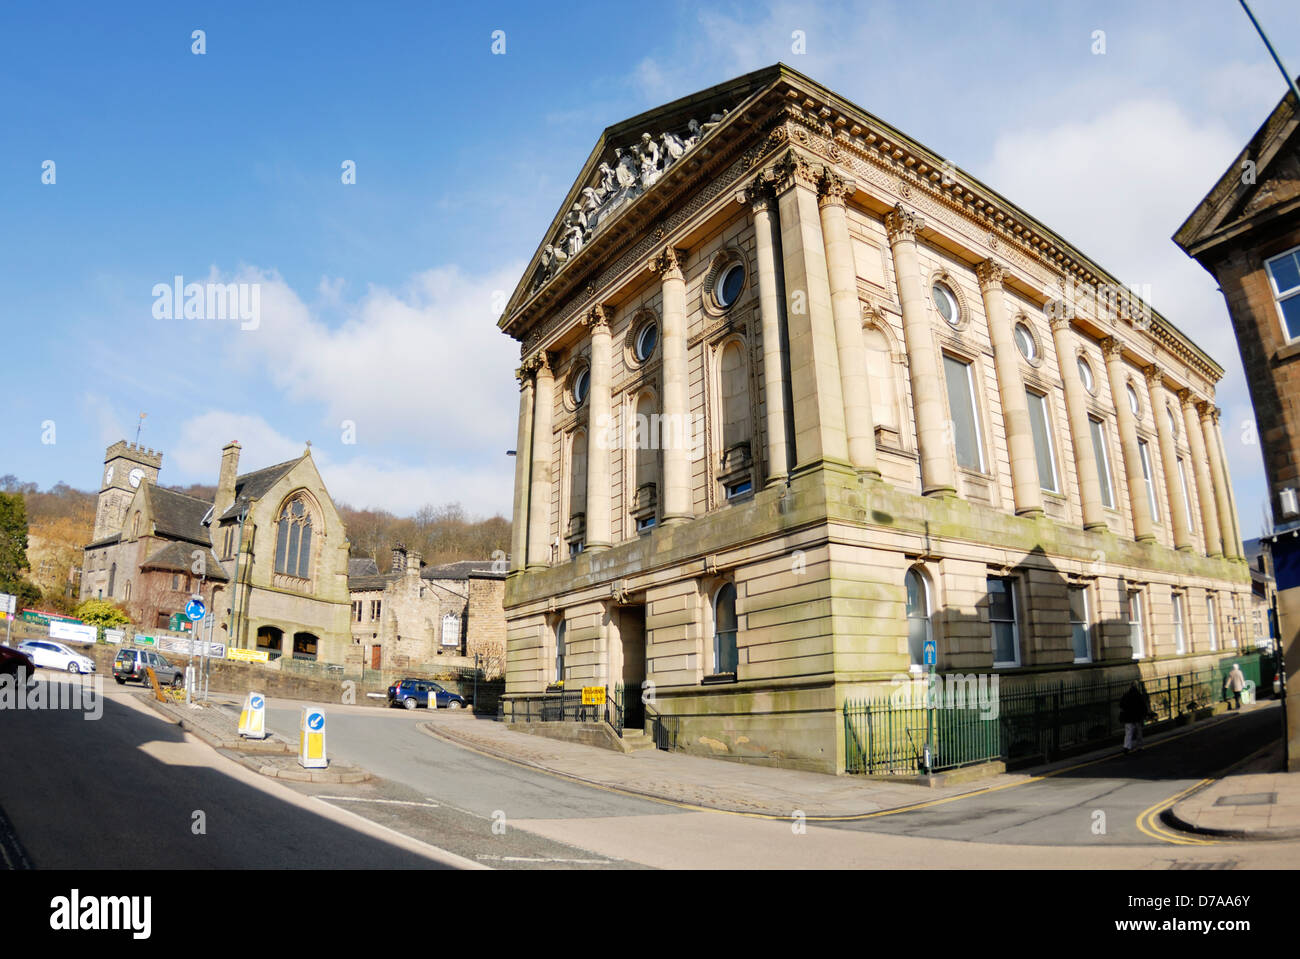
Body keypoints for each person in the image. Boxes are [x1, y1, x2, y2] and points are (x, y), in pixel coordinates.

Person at [1119, 680, 1150, 753]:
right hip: (1137, 717)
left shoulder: (1126, 694)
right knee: (1138, 732)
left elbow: (1121, 705)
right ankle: (1139, 746)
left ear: (1130, 686)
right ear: (1136, 686)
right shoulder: (1138, 695)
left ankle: (1127, 747)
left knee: (1128, 733)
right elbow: (1143, 706)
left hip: (1128, 717)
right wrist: (1145, 714)